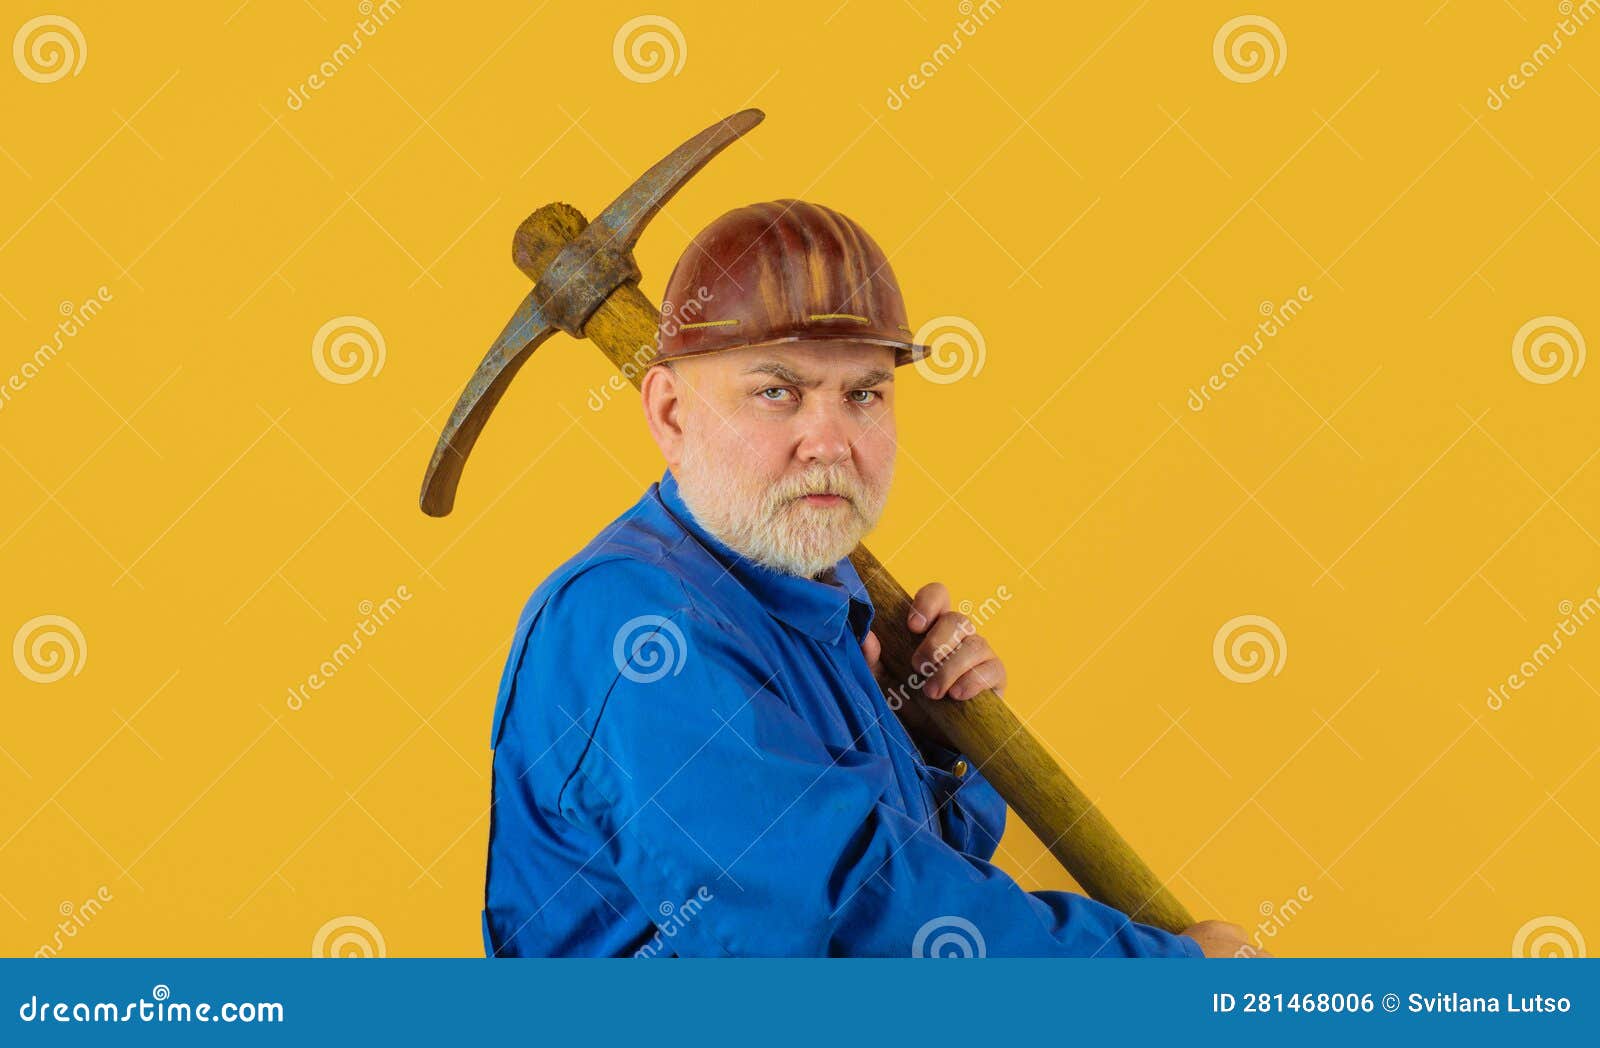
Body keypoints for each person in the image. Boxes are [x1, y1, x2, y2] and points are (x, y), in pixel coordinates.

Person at [482, 199, 1264, 958]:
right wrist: (1159, 980)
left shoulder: (813, 590)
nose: (829, 442)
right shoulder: (627, 623)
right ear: (672, 415)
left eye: (863, 394)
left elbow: (905, 867)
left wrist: (921, 738)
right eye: (776, 392)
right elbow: (853, 924)